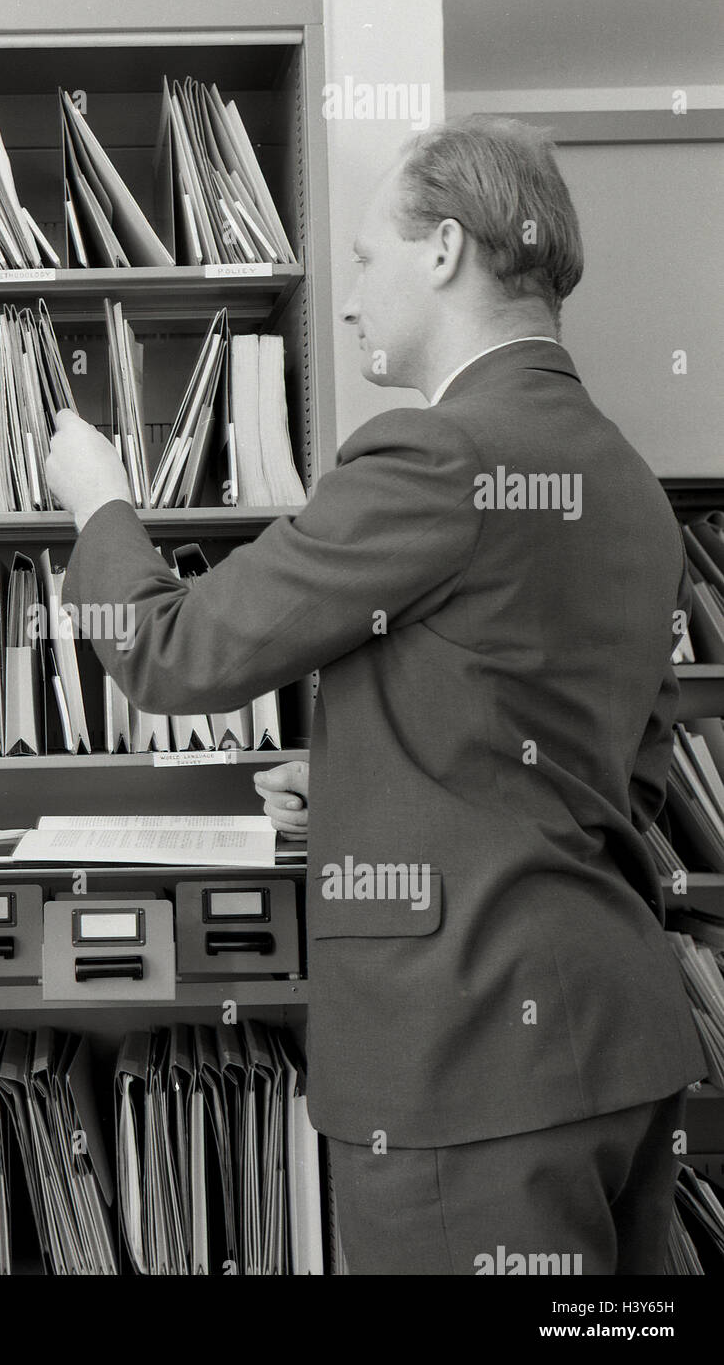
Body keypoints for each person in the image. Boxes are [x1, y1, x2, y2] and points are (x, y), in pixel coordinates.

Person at [44, 116, 706, 1275]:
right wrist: (361, 779)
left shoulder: (436, 457)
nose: (346, 300)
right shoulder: (626, 481)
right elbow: (608, 768)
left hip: (467, 1066)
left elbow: (168, 652)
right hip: (620, 1043)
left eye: (361, 259)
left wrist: (100, 506)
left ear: (444, 250)